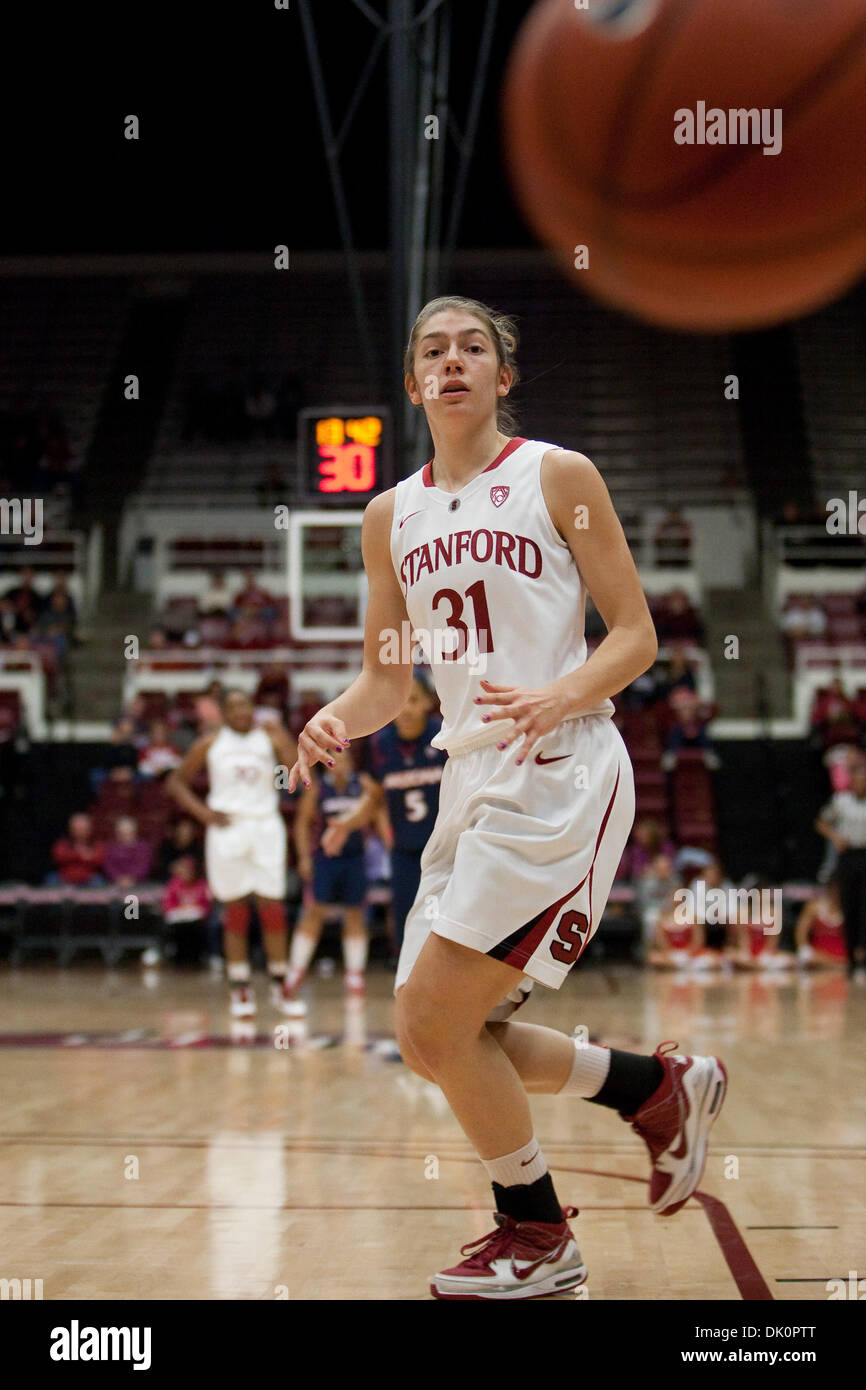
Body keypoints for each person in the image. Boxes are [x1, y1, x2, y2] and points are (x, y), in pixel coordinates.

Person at [286, 295, 728, 1300]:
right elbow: (387, 680)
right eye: (432, 351)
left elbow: (634, 636)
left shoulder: (557, 475)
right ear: (413, 384)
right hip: (469, 774)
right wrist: (333, 718)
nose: (452, 362)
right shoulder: (388, 515)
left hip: (561, 761)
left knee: (436, 1019)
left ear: (502, 374)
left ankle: (537, 1235)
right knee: (432, 1034)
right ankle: (653, 1087)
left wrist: (560, 692)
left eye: (472, 348)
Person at [166, 688, 299, 1017]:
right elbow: (176, 783)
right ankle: (239, 987)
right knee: (235, 908)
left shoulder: (268, 737)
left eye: (246, 705)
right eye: (234, 707)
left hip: (265, 825)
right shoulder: (211, 742)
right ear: (224, 713)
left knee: (272, 907)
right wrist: (204, 814)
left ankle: (280, 984)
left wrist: (283, 737)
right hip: (227, 829)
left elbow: (295, 772)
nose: (242, 711)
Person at [325, 670, 447, 955]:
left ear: (428, 702)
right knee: (407, 927)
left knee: (447, 926)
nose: (407, 709)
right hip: (404, 852)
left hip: (446, 850)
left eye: (414, 700)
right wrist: (346, 823)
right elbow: (374, 797)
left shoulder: (444, 736)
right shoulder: (379, 743)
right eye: (401, 701)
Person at [287, 751, 378, 999]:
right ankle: (296, 970)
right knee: (314, 911)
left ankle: (355, 973)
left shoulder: (362, 785)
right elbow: (302, 824)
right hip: (325, 860)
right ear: (326, 764)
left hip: (355, 858)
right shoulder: (317, 789)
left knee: (355, 913)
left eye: (345, 760)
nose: (340, 765)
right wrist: (304, 858)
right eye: (335, 761)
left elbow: (376, 812)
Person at [815, 758, 866, 980]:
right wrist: (836, 837)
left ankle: (863, 957)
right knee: (849, 905)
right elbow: (821, 822)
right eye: (858, 777)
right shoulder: (840, 801)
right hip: (848, 856)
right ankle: (851, 959)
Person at [794, 877, 847, 968]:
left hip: (843, 957)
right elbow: (800, 934)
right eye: (833, 888)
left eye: (839, 889)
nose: (836, 892)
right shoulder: (814, 907)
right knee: (805, 957)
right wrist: (805, 950)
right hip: (818, 957)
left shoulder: (851, 909)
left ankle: (835, 965)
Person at [48, 813, 105, 887]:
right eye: (77, 828)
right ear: (71, 829)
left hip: (89, 879)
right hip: (64, 878)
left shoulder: (96, 844)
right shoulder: (63, 843)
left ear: (90, 829)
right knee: (51, 879)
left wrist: (73, 855)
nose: (80, 831)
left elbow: (98, 859)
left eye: (83, 828)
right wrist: (81, 855)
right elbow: (59, 856)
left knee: (99, 883)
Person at [102, 816, 152, 889]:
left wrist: (131, 879)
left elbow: (144, 866)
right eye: (122, 833)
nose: (126, 836)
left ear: (134, 833)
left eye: (129, 833)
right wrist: (119, 879)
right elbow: (109, 866)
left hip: (139, 883)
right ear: (117, 834)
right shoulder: (112, 848)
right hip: (116, 883)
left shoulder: (143, 848)